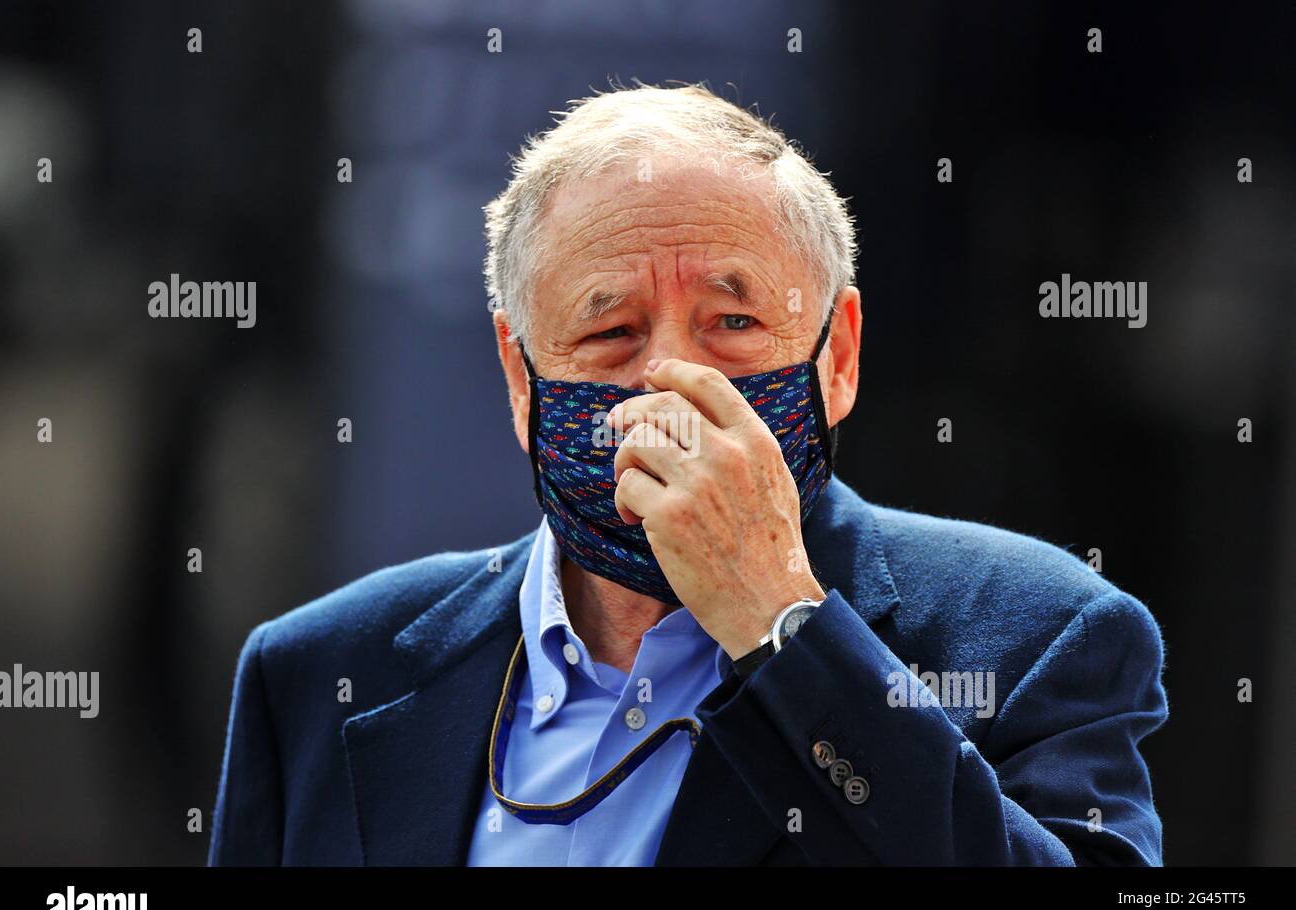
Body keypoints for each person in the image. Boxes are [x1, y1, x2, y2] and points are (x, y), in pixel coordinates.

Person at [209, 82, 1167, 866]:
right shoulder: (322, 671)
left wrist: (783, 625)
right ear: (519, 375)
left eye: (735, 324)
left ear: (839, 358)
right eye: (610, 331)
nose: (672, 384)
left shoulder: (1039, 634)